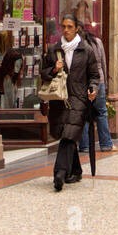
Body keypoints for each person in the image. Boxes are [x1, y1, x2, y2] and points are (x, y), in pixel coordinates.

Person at [40, 15, 100, 192]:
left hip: (78, 99)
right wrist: (54, 69)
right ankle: (75, 170)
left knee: (69, 133)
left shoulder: (86, 50)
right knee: (62, 132)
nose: (65, 30)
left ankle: (59, 173)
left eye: (69, 27)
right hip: (59, 99)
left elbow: (94, 75)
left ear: (77, 29)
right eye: (63, 27)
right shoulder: (54, 50)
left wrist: (93, 89)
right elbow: (43, 73)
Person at [77, 21, 115, 154]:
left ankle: (85, 146)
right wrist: (105, 83)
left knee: (83, 114)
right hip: (99, 81)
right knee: (101, 113)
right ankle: (106, 144)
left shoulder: (78, 45)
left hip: (83, 83)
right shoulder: (97, 42)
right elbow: (103, 64)